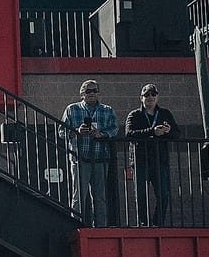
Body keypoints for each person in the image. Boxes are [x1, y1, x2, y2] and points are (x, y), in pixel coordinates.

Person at [60, 79, 118, 227]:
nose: (91, 93)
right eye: (88, 91)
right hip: (80, 158)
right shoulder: (72, 109)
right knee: (78, 196)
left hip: (100, 158)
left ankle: (100, 227)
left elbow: (114, 129)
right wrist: (76, 131)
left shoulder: (107, 110)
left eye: (94, 90)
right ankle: (74, 225)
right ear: (81, 94)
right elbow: (61, 131)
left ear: (98, 93)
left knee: (100, 197)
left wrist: (102, 134)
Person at [125, 83, 178, 227]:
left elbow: (176, 134)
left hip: (160, 160)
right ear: (141, 98)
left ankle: (157, 222)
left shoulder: (165, 114)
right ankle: (143, 222)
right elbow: (129, 134)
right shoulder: (134, 115)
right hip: (141, 161)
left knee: (164, 194)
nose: (150, 97)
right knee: (141, 195)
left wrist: (167, 131)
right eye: (146, 95)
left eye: (153, 94)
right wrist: (152, 131)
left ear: (157, 97)